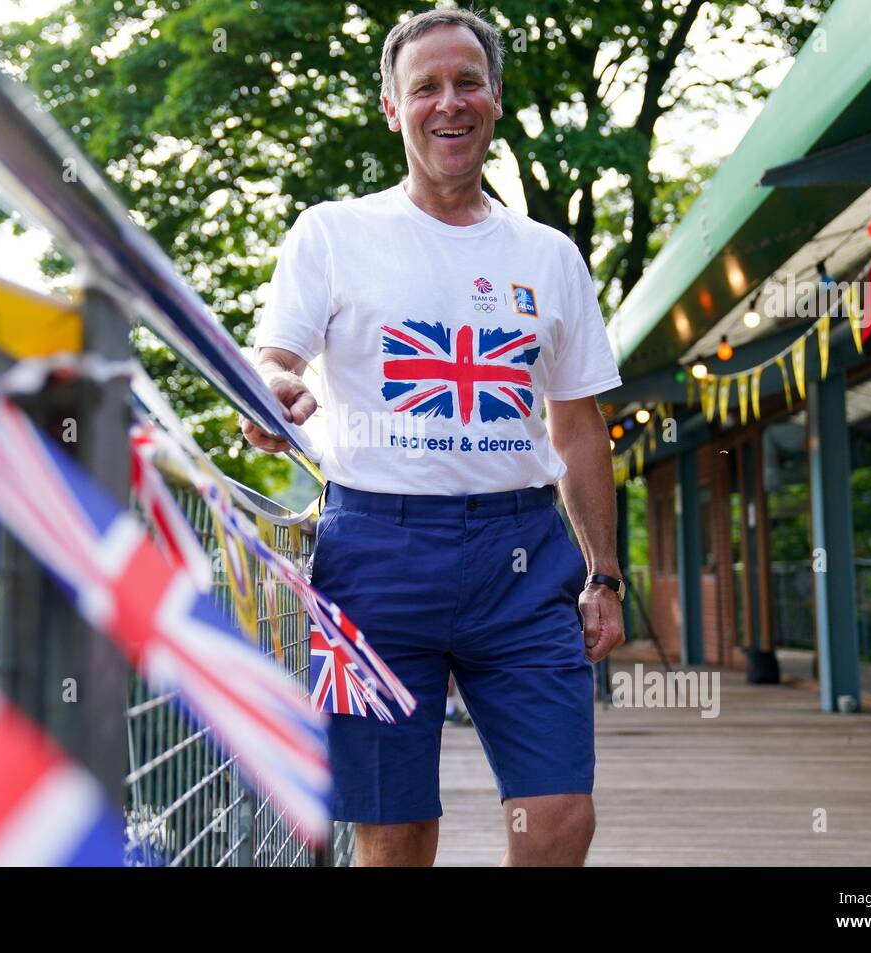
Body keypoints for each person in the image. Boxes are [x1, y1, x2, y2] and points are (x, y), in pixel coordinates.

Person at [243, 7, 625, 867]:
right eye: (425, 87)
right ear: (392, 106)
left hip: (523, 558)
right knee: (396, 828)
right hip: (372, 554)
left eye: (466, 83)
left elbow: (579, 429)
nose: (447, 104)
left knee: (560, 817)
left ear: (493, 100)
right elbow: (276, 356)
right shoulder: (333, 232)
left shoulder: (549, 255)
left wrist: (603, 575)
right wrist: (272, 391)